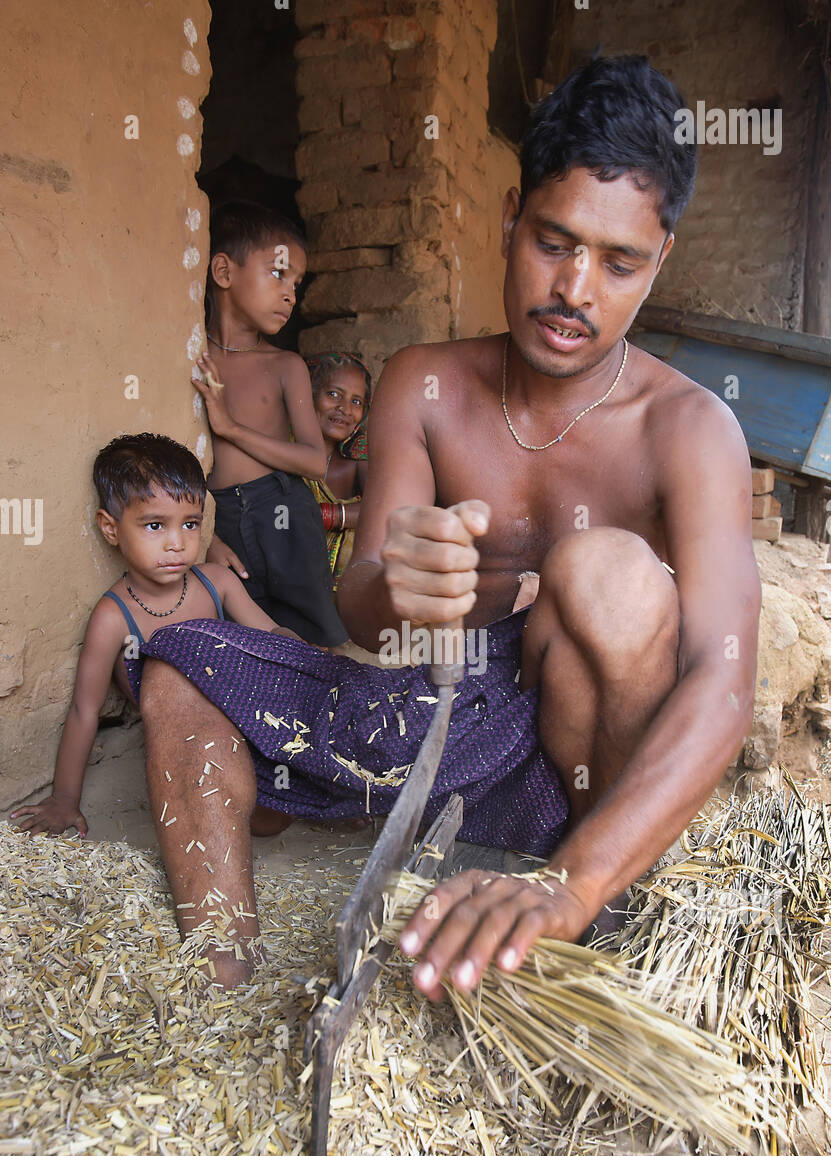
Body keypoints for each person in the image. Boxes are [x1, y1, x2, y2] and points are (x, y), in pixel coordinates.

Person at [132, 56, 761, 995]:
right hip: (430, 717)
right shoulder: (423, 385)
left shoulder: (693, 429)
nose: (576, 289)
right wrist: (401, 584)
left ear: (659, 260)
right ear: (509, 218)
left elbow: (723, 681)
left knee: (605, 571)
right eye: (554, 242)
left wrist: (571, 885)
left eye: (619, 262)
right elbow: (363, 616)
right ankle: (225, 990)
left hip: (572, 774)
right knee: (181, 665)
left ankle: (612, 914)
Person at [10, 434, 309, 978]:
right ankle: (225, 947)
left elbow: (271, 642)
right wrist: (65, 799)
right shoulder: (113, 618)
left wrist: (313, 664)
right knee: (235, 812)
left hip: (251, 732)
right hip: (189, 759)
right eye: (155, 526)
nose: (176, 543)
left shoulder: (216, 583)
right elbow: (83, 711)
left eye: (190, 525)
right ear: (110, 528)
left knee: (276, 812)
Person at [197, 200, 348, 649]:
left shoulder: (285, 365)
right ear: (223, 272)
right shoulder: (190, 353)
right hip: (219, 515)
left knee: (311, 641)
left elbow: (314, 460)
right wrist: (205, 533)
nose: (291, 294)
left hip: (284, 513)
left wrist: (232, 429)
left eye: (297, 283)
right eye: (278, 273)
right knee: (242, 644)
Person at [304, 351, 371, 583]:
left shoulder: (358, 457)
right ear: (307, 395)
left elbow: (387, 508)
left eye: (356, 401)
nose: (345, 409)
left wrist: (326, 515)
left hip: (351, 602)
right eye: (333, 394)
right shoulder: (282, 448)